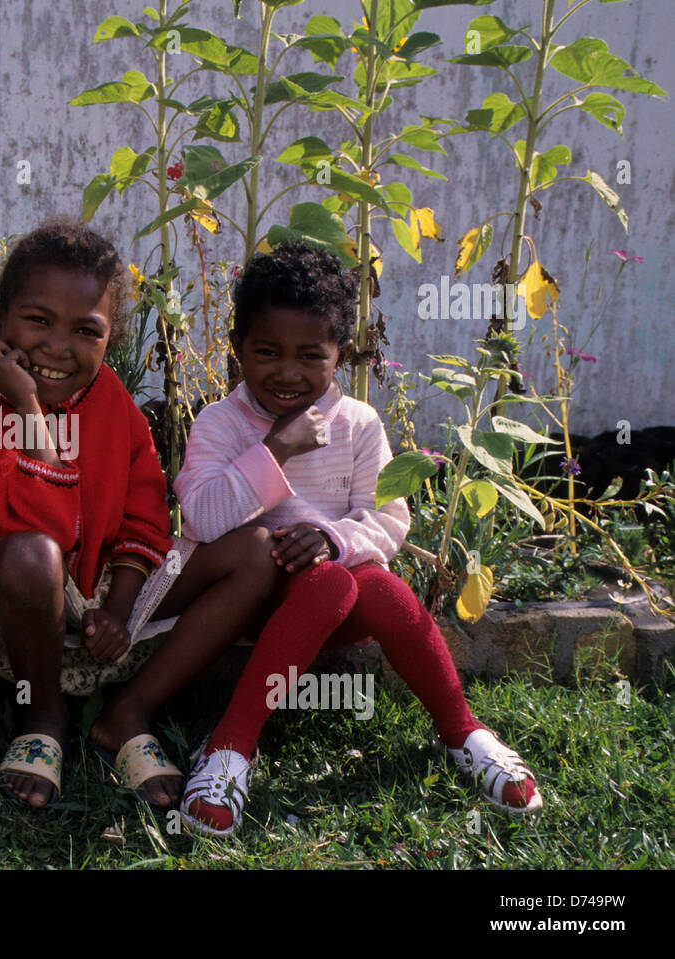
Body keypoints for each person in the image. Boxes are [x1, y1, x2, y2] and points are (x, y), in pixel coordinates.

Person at [174, 241, 542, 837]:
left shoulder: (360, 424)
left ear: (340, 355)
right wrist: (277, 450)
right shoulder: (220, 423)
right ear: (237, 346)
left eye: (309, 355)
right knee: (327, 584)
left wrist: (329, 538)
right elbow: (203, 520)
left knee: (377, 588)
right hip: (249, 602)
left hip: (336, 598)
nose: (287, 372)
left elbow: (389, 519)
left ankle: (464, 732)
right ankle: (230, 747)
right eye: (266, 352)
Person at [0, 218, 280, 809]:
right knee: (33, 552)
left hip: (102, 595)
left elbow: (145, 514)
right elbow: (44, 524)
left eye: (86, 331)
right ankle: (43, 719)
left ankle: (128, 710)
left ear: (112, 337)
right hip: (12, 604)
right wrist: (25, 405)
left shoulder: (112, 404)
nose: (58, 347)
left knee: (256, 550)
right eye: (37, 320)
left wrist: (119, 607)